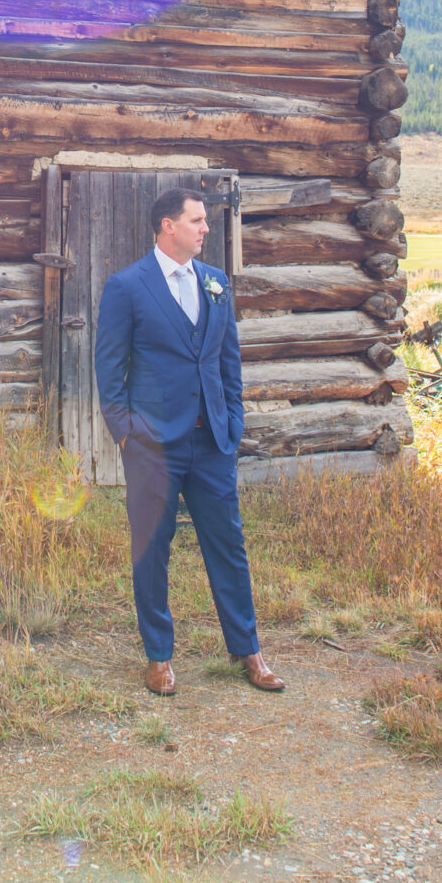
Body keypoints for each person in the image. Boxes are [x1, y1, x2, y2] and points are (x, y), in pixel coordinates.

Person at [93, 187, 284, 696]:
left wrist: (233, 422)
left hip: (213, 443)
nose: (205, 229)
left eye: (205, 221)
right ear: (167, 227)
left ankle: (248, 650)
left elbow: (227, 362)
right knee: (152, 550)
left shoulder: (217, 283)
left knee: (229, 546)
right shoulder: (127, 287)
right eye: (196, 221)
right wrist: (127, 436)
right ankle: (159, 656)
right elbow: (109, 371)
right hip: (153, 447)